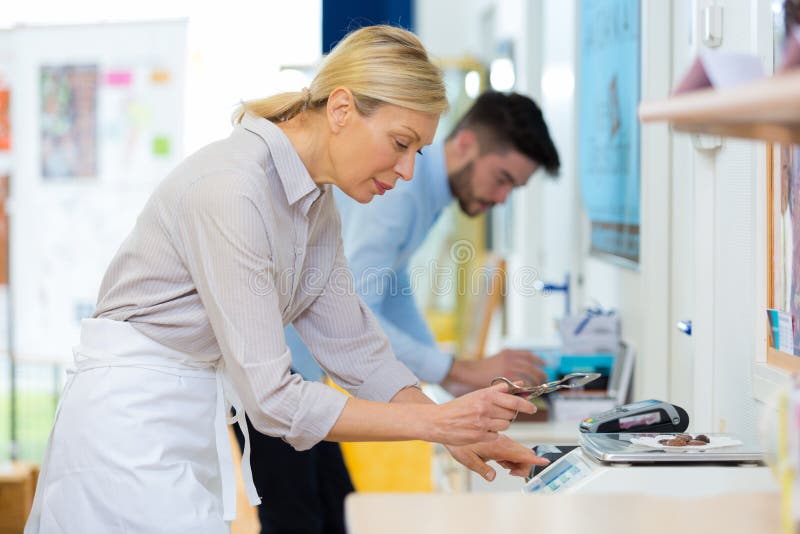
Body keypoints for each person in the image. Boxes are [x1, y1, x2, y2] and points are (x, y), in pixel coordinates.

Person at [25, 26, 549, 533]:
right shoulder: (234, 189)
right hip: (125, 422)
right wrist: (434, 424)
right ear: (341, 109)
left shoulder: (314, 203)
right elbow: (273, 401)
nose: (408, 171)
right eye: (400, 143)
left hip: (182, 412)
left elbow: (355, 346)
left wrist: (454, 430)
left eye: (418, 152)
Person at [236, 91, 561, 533]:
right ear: (465, 144)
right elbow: (359, 309)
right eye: (502, 179)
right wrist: (452, 373)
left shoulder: (423, 195)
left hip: (301, 375)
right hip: (272, 379)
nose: (502, 198)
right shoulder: (397, 193)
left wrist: (449, 377)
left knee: (337, 511)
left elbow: (391, 289)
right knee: (299, 521)